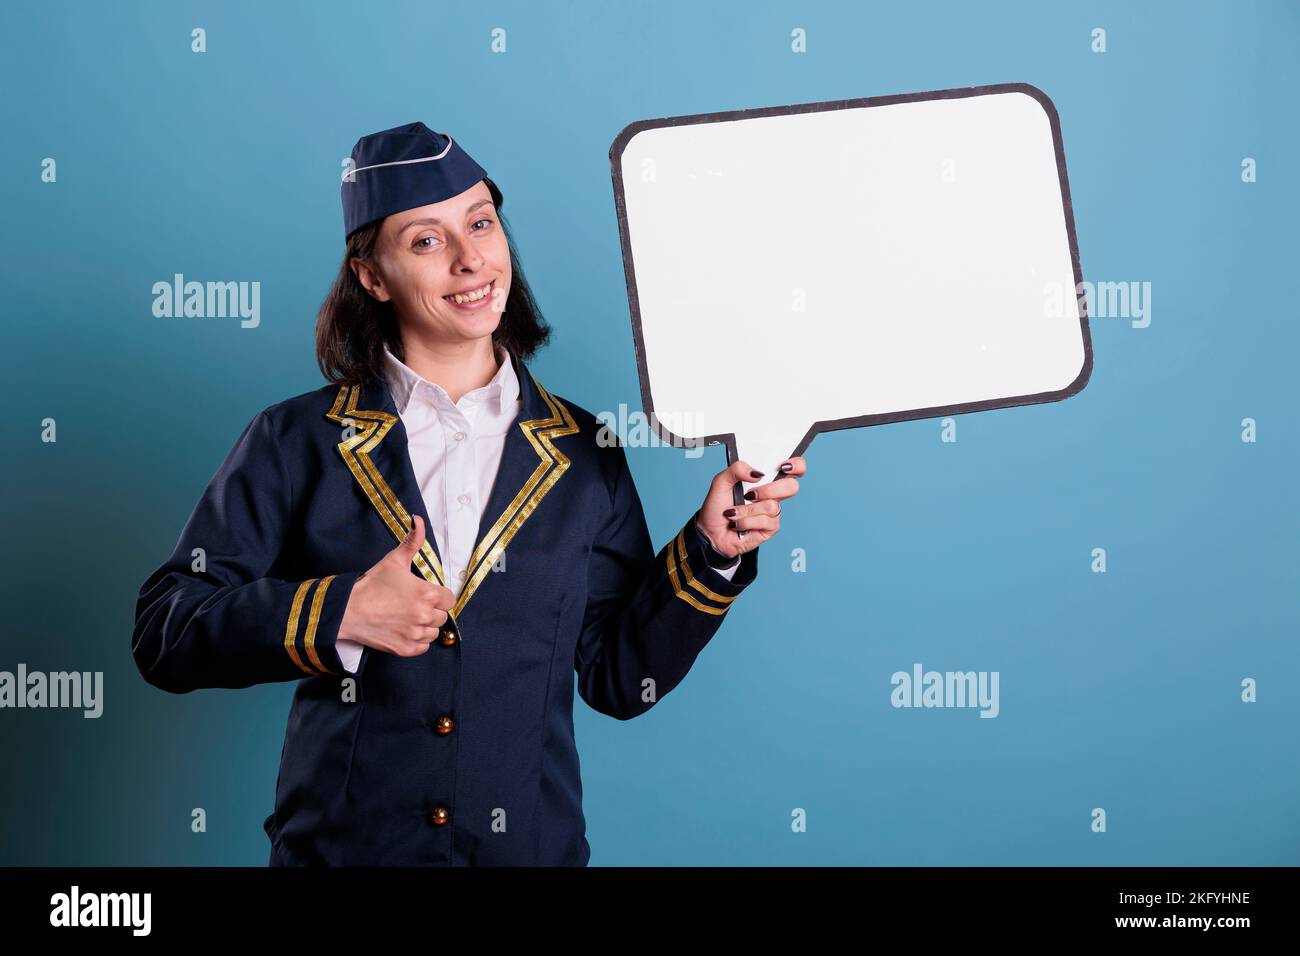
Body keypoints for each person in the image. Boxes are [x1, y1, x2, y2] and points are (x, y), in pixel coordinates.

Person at [131, 121, 807, 866]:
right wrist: (343, 611)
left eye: (481, 223)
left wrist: (710, 552)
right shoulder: (295, 441)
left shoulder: (587, 449)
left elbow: (621, 677)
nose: (469, 258)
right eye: (426, 240)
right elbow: (167, 630)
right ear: (372, 276)